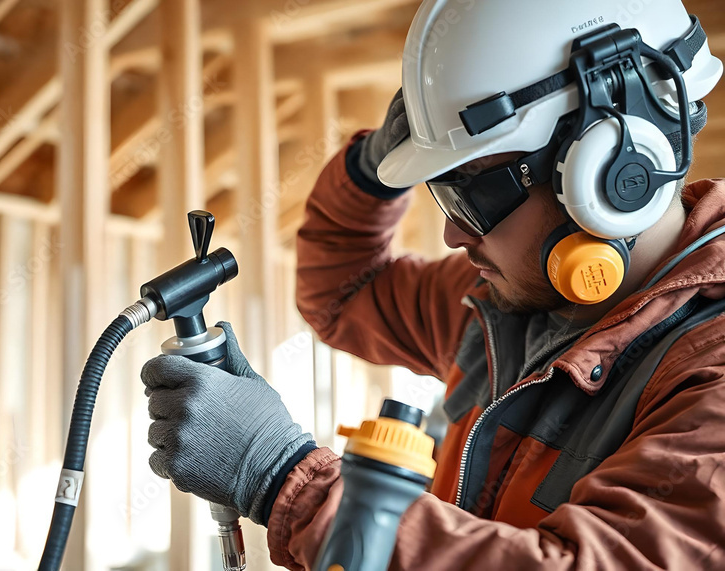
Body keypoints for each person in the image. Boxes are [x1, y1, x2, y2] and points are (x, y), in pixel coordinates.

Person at [141, 0, 725, 567]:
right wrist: (373, 170)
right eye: (441, 191)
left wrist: (283, 479)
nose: (450, 234)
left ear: (615, 171)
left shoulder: (709, 376)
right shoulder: (503, 308)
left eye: (471, 193)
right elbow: (343, 294)